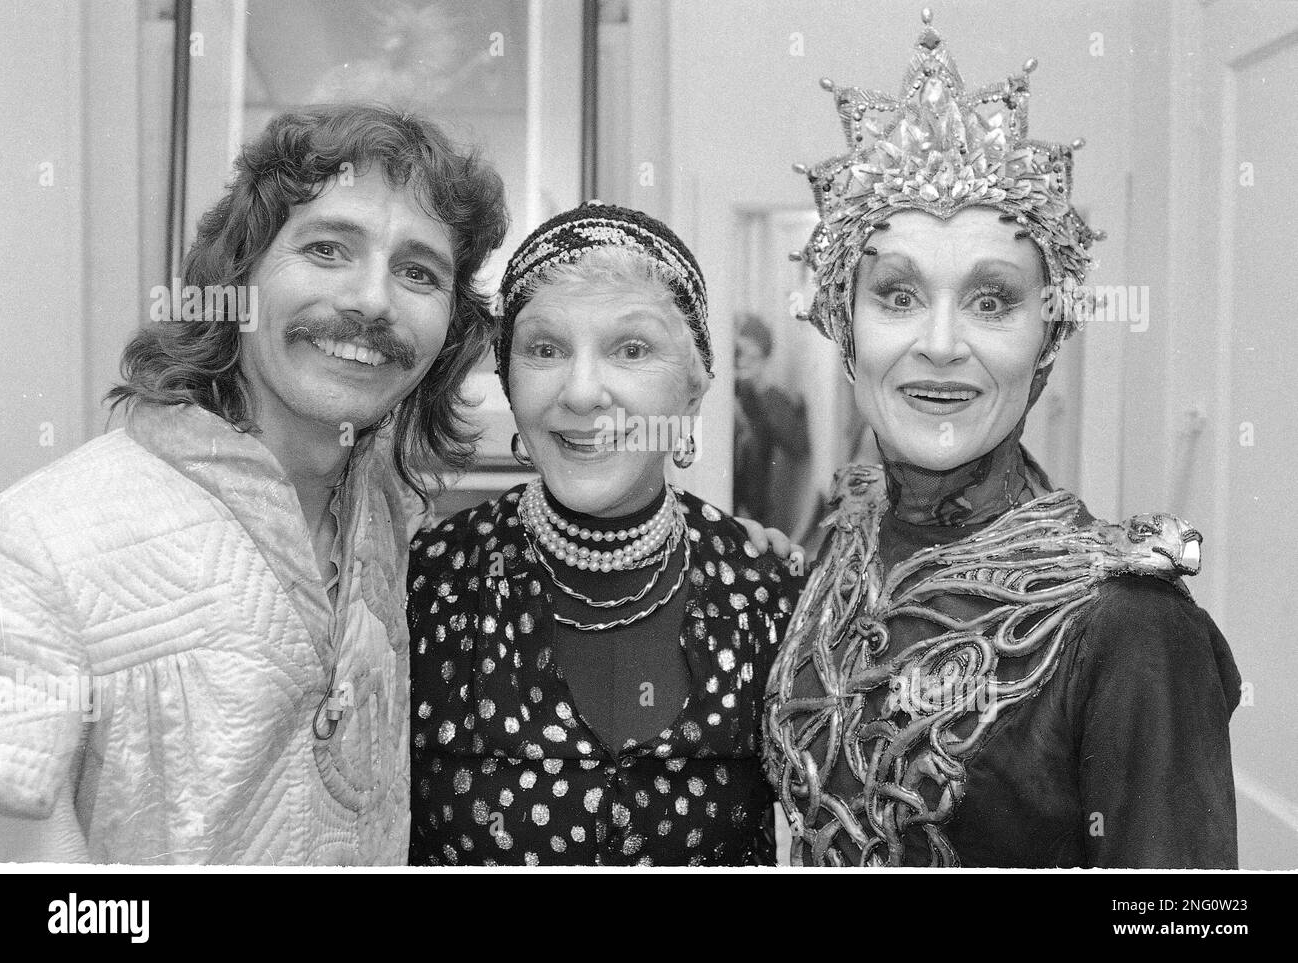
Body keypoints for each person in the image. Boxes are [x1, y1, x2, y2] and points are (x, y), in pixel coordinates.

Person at [763, 12, 1240, 868]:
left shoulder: (1129, 626)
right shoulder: (847, 526)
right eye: (898, 295)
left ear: (1047, 339)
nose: (941, 342)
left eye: (992, 301)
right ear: (844, 326)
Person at [0, 103, 508, 863]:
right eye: (329, 247)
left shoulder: (390, 520)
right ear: (238, 275)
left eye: (417, 271)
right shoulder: (39, 547)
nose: (373, 300)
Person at [408, 203, 805, 866]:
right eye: (544, 349)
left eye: (631, 348)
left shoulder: (769, 591)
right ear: (508, 380)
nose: (583, 391)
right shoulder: (428, 583)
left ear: (693, 388)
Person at [732, 313, 810, 528]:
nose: (742, 361)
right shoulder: (718, 397)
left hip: (755, 513)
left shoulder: (770, 396)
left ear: (764, 358)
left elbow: (798, 446)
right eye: (737, 353)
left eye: (753, 356)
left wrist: (761, 389)